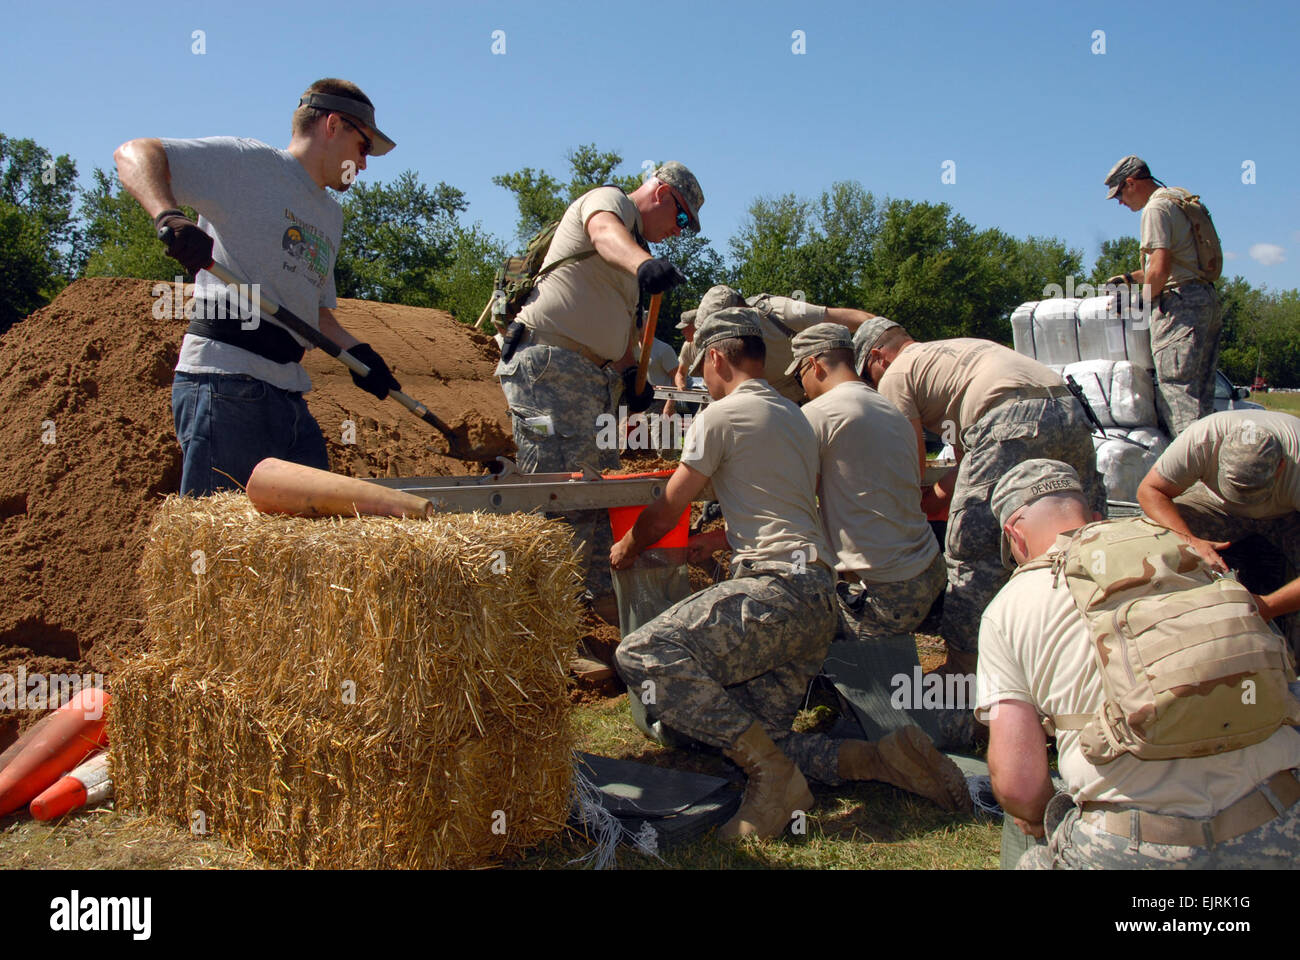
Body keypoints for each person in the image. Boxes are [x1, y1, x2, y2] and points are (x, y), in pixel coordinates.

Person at [613, 310, 968, 841]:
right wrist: (714, 542)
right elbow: (777, 509)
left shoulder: (722, 415)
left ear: (714, 358)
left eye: (702, 367)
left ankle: (772, 777)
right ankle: (878, 759)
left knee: (643, 654)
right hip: (818, 598)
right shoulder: (797, 419)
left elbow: (668, 506)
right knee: (765, 732)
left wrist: (628, 545)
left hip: (774, 592)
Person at [977, 459, 1300, 868]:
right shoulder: (1191, 555)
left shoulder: (1008, 608)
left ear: (1015, 538)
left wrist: (1046, 821)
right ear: (1094, 518)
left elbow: (1019, 788)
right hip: (1278, 825)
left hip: (1133, 846)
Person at [115, 78, 401, 496]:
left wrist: (359, 355)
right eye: (363, 148)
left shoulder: (330, 216)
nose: (364, 164)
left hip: (288, 394)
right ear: (334, 124)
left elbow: (315, 313)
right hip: (226, 383)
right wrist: (167, 217)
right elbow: (134, 152)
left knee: (312, 538)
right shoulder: (249, 164)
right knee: (222, 544)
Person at [496, 163, 701, 609]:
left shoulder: (632, 252)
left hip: (590, 379)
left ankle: (587, 615)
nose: (678, 232)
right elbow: (604, 233)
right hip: (549, 368)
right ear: (662, 194)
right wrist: (644, 264)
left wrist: (632, 376)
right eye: (681, 218)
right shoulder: (611, 203)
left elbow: (620, 335)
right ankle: (541, 620)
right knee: (557, 495)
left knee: (596, 493)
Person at [854, 318, 1105, 675]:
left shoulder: (896, 375)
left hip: (1009, 417)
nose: (874, 385)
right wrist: (937, 501)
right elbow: (964, 469)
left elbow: (910, 467)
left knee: (971, 550)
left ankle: (966, 670)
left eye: (869, 377)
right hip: (1068, 409)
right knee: (1083, 533)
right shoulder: (955, 355)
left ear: (878, 356)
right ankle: (1101, 643)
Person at [791, 323, 945, 639]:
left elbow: (794, 501)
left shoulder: (818, 414)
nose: (802, 387)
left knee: (783, 621)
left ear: (815, 365)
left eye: (799, 376)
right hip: (928, 568)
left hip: (883, 592)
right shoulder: (891, 408)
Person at [1137, 409, 1300, 650]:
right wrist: (1190, 541)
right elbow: (1150, 491)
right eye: (1237, 488)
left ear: (1281, 466)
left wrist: (1268, 606)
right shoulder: (1203, 439)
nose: (1246, 500)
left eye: (1251, 492)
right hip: (1218, 506)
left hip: (1287, 515)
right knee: (1150, 533)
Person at [1103, 155, 1223, 437]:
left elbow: (1160, 269)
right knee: (1201, 395)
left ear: (1131, 183)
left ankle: (1188, 472)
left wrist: (1139, 304)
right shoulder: (1177, 200)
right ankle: (1208, 468)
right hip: (1204, 300)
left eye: (1119, 194)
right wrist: (1130, 278)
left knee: (1179, 394)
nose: (1120, 202)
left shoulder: (1154, 209)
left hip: (1179, 308)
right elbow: (1177, 263)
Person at [694, 285, 878, 403]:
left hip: (816, 400)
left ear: (741, 309)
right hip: (768, 409)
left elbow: (855, 319)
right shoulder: (715, 348)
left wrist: (883, 339)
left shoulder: (781, 313)